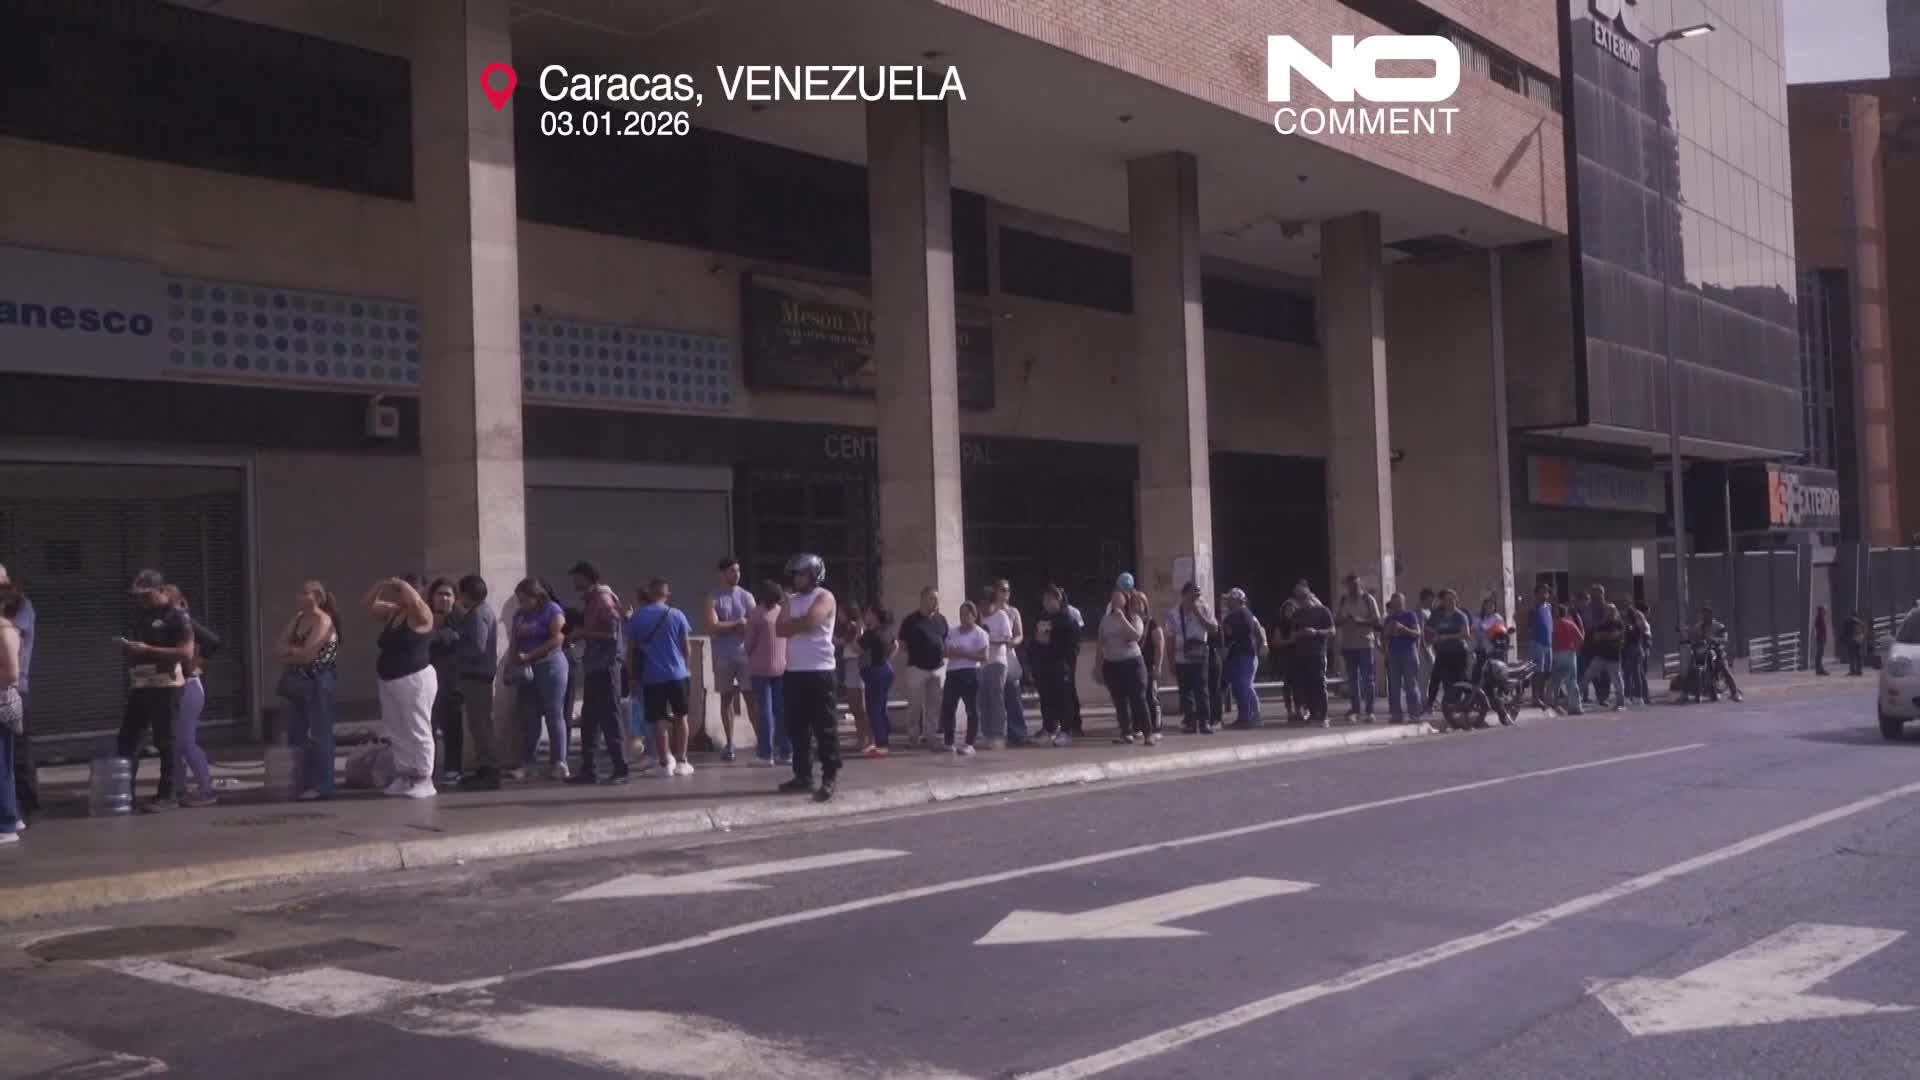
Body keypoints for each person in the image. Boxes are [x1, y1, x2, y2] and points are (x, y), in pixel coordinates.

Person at [115, 570, 194, 812]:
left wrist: (148, 649)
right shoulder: (141, 617)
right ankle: (123, 791)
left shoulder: (177, 617)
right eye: (139, 596)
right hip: (141, 684)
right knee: (128, 738)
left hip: (166, 685)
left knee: (165, 740)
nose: (143, 600)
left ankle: (168, 793)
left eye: (147, 595)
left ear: (161, 590)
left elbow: (185, 653)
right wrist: (129, 650)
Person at [364, 577, 439, 797]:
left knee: (418, 728)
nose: (402, 595)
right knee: (396, 729)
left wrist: (404, 586)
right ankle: (405, 775)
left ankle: (425, 778)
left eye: (407, 590)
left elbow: (415, 601)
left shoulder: (422, 613)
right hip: (390, 680)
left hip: (414, 678)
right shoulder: (395, 612)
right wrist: (380, 585)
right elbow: (368, 605)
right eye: (400, 591)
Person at [776, 554, 840, 800]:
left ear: (814, 575)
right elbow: (779, 629)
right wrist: (797, 623)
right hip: (794, 672)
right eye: (796, 575)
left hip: (820, 670)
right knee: (797, 728)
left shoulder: (824, 597)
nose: (797, 579)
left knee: (825, 727)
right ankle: (802, 775)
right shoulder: (790, 600)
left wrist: (795, 623)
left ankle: (830, 776)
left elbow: (813, 622)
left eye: (802, 574)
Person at [275, 581, 340, 801]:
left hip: (320, 680)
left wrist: (291, 652)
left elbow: (310, 654)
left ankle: (323, 784)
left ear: (317, 598)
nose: (299, 597)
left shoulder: (323, 620)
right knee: (297, 731)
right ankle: (302, 780)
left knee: (320, 732)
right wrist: (295, 652)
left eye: (304, 593)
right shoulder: (298, 619)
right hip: (298, 680)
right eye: (299, 592)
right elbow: (278, 647)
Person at [626, 578, 696, 777]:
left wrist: (632, 676)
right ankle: (682, 760)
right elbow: (686, 648)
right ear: (667, 594)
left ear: (649, 594)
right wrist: (686, 668)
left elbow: (631, 651)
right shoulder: (677, 615)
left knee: (659, 721)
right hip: (678, 674)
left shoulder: (638, 617)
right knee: (682, 717)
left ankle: (664, 762)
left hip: (652, 676)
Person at [569, 562, 629, 785]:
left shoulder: (603, 600)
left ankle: (621, 769)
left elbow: (612, 633)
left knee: (610, 718)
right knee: (590, 720)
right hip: (594, 666)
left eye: (576, 577)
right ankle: (588, 770)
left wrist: (584, 632)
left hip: (606, 666)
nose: (574, 582)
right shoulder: (591, 600)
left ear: (586, 577)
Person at [504, 578, 570, 781]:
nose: (522, 603)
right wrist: (514, 660)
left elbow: (558, 637)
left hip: (550, 666)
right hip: (526, 670)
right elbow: (514, 639)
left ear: (537, 596)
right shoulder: (519, 615)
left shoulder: (552, 610)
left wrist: (532, 655)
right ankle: (529, 762)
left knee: (553, 713)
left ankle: (559, 761)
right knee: (529, 715)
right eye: (520, 600)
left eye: (525, 599)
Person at [166, 587, 222, 808]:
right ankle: (178, 788)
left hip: (188, 688)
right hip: (177, 687)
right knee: (175, 743)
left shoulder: (184, 621)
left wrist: (199, 665)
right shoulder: (170, 623)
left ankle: (206, 790)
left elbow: (213, 641)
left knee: (186, 743)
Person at [450, 575, 504, 791]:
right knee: (479, 723)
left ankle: (489, 769)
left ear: (466, 594)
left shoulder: (478, 614)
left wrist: (457, 644)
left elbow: (477, 647)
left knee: (480, 724)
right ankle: (485, 767)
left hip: (477, 676)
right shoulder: (480, 612)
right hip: (478, 675)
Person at [703, 557, 756, 763]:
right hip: (722, 656)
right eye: (732, 571)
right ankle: (730, 743)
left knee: (751, 699)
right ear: (723, 573)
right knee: (726, 700)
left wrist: (727, 626)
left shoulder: (747, 596)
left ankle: (763, 742)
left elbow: (753, 623)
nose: (737, 574)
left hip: (745, 655)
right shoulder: (713, 598)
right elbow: (711, 626)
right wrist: (737, 624)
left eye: (738, 570)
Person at [0, 564, 35, 827]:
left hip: (12, 691)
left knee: (15, 756)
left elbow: (11, 666)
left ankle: (20, 810)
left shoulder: (17, 610)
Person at [1099, 587, 1154, 744]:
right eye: (1113, 597)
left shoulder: (1134, 618)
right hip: (1112, 664)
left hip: (1132, 663)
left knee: (1139, 698)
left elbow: (1136, 636)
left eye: (1119, 597)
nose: (1115, 600)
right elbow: (1101, 642)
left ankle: (1148, 733)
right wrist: (1098, 665)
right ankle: (1126, 732)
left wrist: (1122, 618)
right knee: (1120, 700)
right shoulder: (1105, 619)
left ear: (1126, 600)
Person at [744, 579, 790, 767]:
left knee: (764, 711)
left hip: (760, 669)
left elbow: (749, 644)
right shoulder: (783, 613)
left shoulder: (756, 614)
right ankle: (786, 752)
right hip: (782, 667)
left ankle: (765, 754)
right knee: (782, 711)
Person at [897, 588, 949, 750]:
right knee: (915, 705)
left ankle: (931, 735)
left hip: (938, 668)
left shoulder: (941, 620)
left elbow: (945, 640)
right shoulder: (911, 620)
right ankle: (913, 737)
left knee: (934, 705)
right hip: (917, 668)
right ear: (923, 599)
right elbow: (903, 644)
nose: (935, 602)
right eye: (932, 599)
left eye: (937, 599)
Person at [424, 578, 464, 784]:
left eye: (448, 594)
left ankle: (453, 768)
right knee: (427, 727)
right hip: (427, 680)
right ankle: (425, 770)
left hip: (453, 681)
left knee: (452, 727)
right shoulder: (424, 617)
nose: (444, 599)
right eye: (440, 594)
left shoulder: (461, 618)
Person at [940, 601, 990, 755]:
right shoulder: (952, 632)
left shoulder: (980, 634)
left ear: (974, 616)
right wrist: (950, 652)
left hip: (970, 673)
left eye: (967, 614)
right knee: (948, 708)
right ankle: (949, 742)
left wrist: (963, 653)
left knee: (971, 709)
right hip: (953, 672)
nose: (963, 617)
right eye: (961, 614)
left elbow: (984, 656)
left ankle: (969, 743)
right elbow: (945, 652)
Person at [1030, 586, 1078, 746]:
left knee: (1063, 699)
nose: (1047, 603)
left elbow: (1073, 647)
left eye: (1050, 599)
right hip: (1044, 666)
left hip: (1061, 666)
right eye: (1045, 600)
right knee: (1046, 698)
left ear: (1058, 600)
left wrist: (1068, 665)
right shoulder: (1042, 618)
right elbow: (1036, 642)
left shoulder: (1067, 620)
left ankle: (1066, 731)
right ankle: (1049, 728)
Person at [1169, 582, 1218, 734]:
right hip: (1181, 657)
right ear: (1184, 595)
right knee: (1185, 691)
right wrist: (1170, 661)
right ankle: (1190, 722)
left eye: (1198, 595)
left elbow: (1214, 629)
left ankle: (1204, 722)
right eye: (1193, 595)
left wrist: (1199, 614)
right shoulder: (1174, 614)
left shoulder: (1203, 609)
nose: (1196, 598)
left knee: (1201, 689)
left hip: (1199, 655)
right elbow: (1169, 638)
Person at [986, 579, 1029, 747]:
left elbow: (1019, 634)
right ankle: (995, 733)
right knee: (994, 698)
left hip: (1008, 656)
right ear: (995, 592)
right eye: (1002, 590)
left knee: (1013, 694)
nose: (1006, 593)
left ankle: (1018, 733)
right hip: (991, 658)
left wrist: (1012, 643)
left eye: (1008, 590)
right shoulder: (989, 611)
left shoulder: (1013, 612)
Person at [1336, 574, 1382, 723]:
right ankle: (1355, 709)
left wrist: (1359, 621)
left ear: (1359, 584)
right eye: (1350, 584)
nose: (1353, 587)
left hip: (1365, 644)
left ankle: (1370, 711)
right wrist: (1343, 620)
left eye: (1355, 584)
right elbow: (1336, 621)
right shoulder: (1344, 600)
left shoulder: (1368, 599)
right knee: (1352, 680)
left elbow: (1377, 620)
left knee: (1368, 679)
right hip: (1348, 645)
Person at [1290, 581, 1334, 727]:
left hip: (1318, 652)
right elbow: (1293, 634)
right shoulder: (1297, 614)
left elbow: (1332, 630)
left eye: (1304, 596)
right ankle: (1313, 714)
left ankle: (1324, 715)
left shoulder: (1323, 611)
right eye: (1298, 597)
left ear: (1310, 595)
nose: (1302, 600)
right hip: (1302, 653)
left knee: (1319, 683)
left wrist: (1316, 632)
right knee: (1306, 685)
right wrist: (1300, 633)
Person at [1221, 588, 1267, 728]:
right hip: (1237, 655)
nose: (1227, 602)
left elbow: (1229, 633)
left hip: (1245, 655)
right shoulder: (1238, 615)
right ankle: (1246, 716)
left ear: (1236, 600)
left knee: (1243, 685)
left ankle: (1250, 717)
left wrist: (1263, 643)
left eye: (1229, 599)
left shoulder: (1242, 614)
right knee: (1239, 687)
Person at [979, 583, 1017, 750]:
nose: (985, 606)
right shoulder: (980, 617)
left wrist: (989, 641)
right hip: (983, 663)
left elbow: (1008, 639)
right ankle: (987, 733)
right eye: (982, 603)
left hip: (998, 661)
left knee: (996, 698)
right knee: (984, 699)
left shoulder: (1001, 616)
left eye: (988, 602)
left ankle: (998, 735)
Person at [0, 581, 24, 844]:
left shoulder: (5, 630)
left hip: (2, 703)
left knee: (1, 764)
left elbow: (11, 673)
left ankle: (6, 824)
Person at [859, 605, 899, 758]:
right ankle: (882, 742)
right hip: (885, 670)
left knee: (874, 709)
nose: (866, 616)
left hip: (875, 672)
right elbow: (896, 645)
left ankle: (881, 745)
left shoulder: (871, 633)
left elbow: (857, 647)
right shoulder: (887, 631)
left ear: (874, 615)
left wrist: (860, 629)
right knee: (881, 707)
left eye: (868, 613)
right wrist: (886, 659)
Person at [1425, 589, 1474, 713]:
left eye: (1452, 599)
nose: (1450, 602)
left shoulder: (1460, 615)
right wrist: (1433, 636)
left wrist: (1447, 637)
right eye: (1447, 599)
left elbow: (1466, 634)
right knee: (1436, 678)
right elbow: (1427, 627)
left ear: (1456, 600)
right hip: (1442, 652)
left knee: (1459, 679)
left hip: (1458, 651)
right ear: (1442, 602)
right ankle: (1429, 705)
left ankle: (1459, 704)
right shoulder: (1438, 615)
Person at [1382, 592, 1423, 724]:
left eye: (1399, 601)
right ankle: (1396, 714)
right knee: (1394, 686)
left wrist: (1404, 629)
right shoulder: (1389, 618)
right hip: (1393, 653)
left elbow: (1417, 634)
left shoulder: (1410, 615)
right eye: (1394, 601)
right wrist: (1388, 633)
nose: (1396, 603)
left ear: (1403, 602)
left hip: (1408, 652)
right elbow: (1384, 637)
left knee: (1411, 684)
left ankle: (1414, 714)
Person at [836, 606, 872, 755]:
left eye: (841, 612)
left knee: (858, 705)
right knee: (855, 705)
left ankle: (866, 738)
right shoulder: (852, 626)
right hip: (850, 664)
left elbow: (845, 642)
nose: (839, 615)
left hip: (855, 664)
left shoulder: (854, 626)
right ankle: (861, 737)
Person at [1133, 589, 1166, 738]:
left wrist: (1158, 666)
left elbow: (1159, 645)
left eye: (1140, 603)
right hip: (1133, 666)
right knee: (1136, 697)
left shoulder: (1152, 623)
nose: (1137, 606)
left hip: (1148, 666)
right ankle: (1138, 726)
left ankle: (1156, 728)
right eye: (1133, 603)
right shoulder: (1130, 622)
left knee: (1151, 697)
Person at [1695, 607, 1744, 701]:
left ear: (1712, 614)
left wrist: (1715, 640)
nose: (1705, 616)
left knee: (1724, 668)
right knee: (1692, 665)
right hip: (1703, 651)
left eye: (1708, 613)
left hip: (1716, 651)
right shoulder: (1698, 627)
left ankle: (1734, 692)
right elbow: (1693, 636)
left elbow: (1725, 638)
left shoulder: (1719, 626)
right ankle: (1691, 691)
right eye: (1704, 613)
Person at [1588, 603, 1629, 711]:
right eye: (1607, 610)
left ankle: (1620, 703)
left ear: (1615, 611)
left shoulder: (1619, 623)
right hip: (1600, 655)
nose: (1609, 612)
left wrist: (1604, 636)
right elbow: (1596, 637)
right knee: (1587, 676)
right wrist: (1607, 636)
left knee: (1617, 681)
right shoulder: (1602, 624)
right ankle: (1577, 700)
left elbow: (1615, 635)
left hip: (1613, 657)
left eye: (1611, 610)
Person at [1527, 583, 1555, 708]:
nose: (1545, 595)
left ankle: (1541, 696)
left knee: (1546, 672)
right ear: (1536, 594)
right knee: (1537, 672)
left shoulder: (1548, 606)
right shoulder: (1534, 608)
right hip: (1537, 643)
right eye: (1542, 592)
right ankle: (1535, 697)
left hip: (1548, 643)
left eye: (1546, 592)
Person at [1272, 599, 1299, 723]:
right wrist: (1290, 641)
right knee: (1287, 685)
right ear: (1283, 612)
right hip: (1287, 657)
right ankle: (1289, 711)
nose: (1291, 611)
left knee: (1299, 685)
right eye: (1288, 609)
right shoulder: (1280, 625)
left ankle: (1299, 710)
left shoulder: (1299, 623)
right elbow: (1277, 642)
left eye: (1293, 609)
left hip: (1299, 656)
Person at [1623, 602, 1652, 706]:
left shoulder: (1634, 625)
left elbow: (1630, 636)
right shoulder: (1638, 624)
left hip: (1634, 650)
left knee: (1631, 673)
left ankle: (1634, 696)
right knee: (1636, 673)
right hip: (1636, 650)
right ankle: (1637, 697)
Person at [1843, 610, 1865, 676]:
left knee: (1852, 656)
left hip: (1852, 640)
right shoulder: (1860, 622)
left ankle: (1852, 671)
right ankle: (1859, 671)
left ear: (1851, 614)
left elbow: (1846, 631)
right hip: (1859, 640)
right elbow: (1863, 631)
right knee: (1859, 656)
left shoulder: (1850, 621)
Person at [1812, 605, 1830, 676]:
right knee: (1819, 655)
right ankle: (1819, 670)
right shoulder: (1819, 618)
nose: (1824, 611)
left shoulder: (1821, 618)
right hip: (1820, 639)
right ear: (1820, 611)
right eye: (1823, 610)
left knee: (1820, 654)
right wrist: (1820, 638)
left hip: (1821, 638)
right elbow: (1818, 630)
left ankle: (1820, 669)